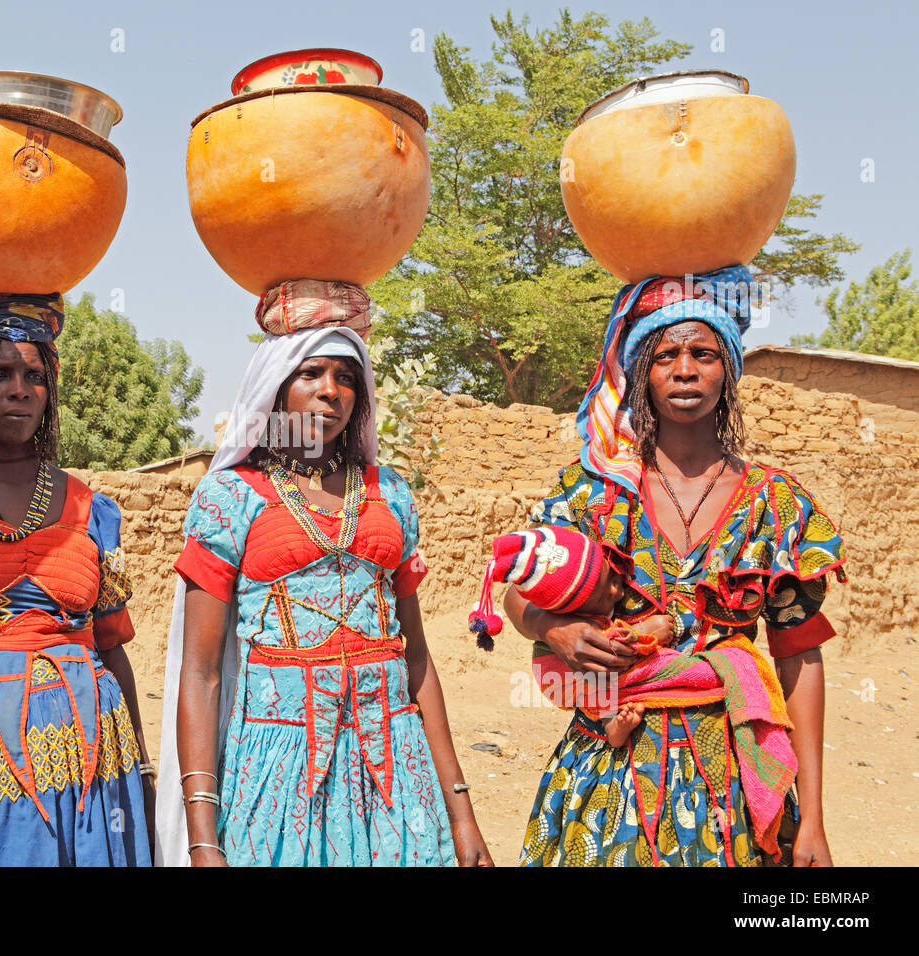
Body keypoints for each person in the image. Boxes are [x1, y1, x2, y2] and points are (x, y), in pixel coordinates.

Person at [508, 267, 845, 867]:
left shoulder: (776, 504)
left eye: (703, 354)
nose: (684, 369)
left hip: (733, 780)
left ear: (729, 369)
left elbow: (798, 654)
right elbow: (519, 592)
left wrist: (814, 817)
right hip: (609, 769)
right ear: (642, 372)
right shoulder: (595, 492)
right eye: (665, 355)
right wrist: (552, 629)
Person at [156, 280, 492, 867]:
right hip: (277, 769)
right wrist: (202, 841)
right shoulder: (230, 497)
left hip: (396, 766)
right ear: (275, 387)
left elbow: (416, 658)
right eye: (310, 374)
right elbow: (202, 673)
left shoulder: (390, 494)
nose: (330, 391)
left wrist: (462, 816)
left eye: (346, 377)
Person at [0, 293, 152, 866]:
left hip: (95, 759)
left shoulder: (91, 509)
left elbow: (111, 645)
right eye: (0, 374)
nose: (20, 389)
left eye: (35, 376)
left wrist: (143, 770)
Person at [467, 526, 664, 747]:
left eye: (612, 577)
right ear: (574, 611)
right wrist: (643, 631)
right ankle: (611, 724)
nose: (616, 591)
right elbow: (611, 643)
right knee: (599, 672)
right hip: (558, 673)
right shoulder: (579, 622)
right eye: (602, 598)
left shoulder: (582, 583)